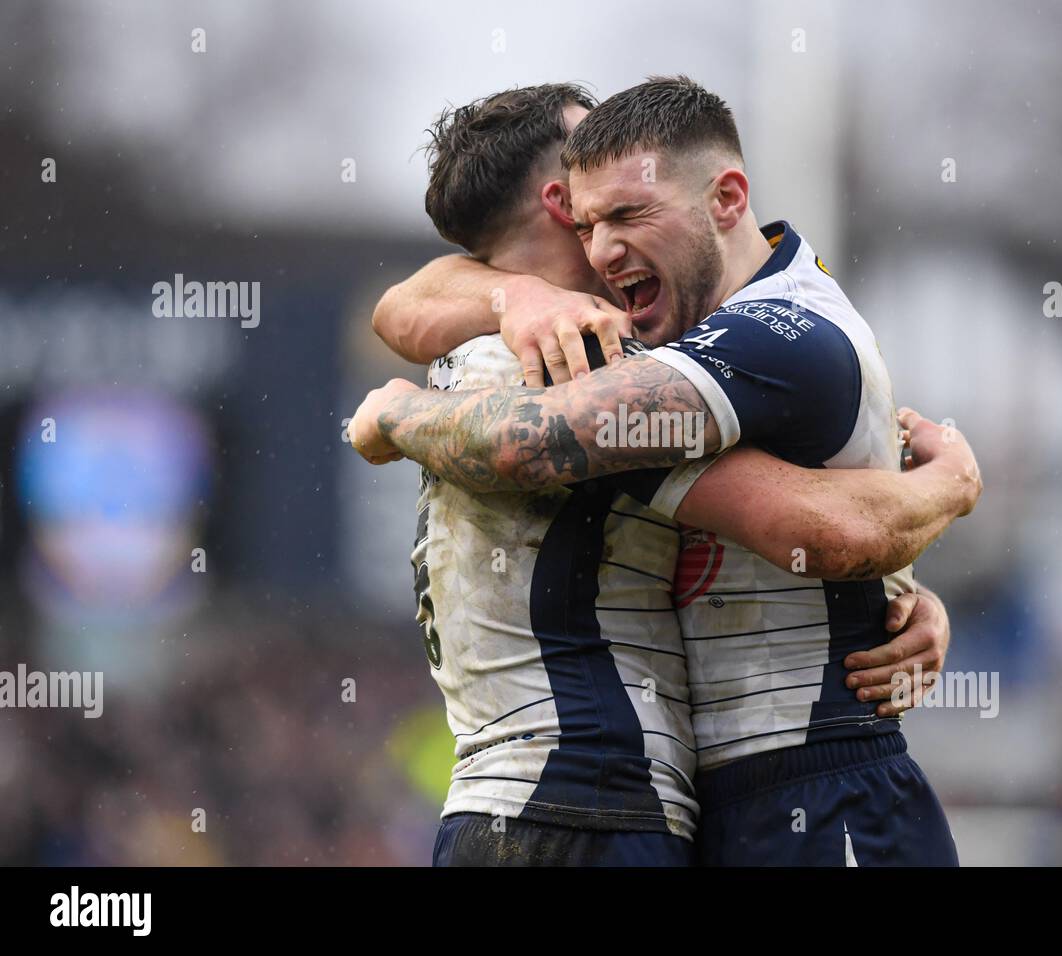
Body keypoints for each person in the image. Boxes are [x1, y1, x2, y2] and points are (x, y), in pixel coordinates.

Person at [356, 79, 981, 866]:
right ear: (556, 203)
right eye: (586, 216)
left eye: (624, 210)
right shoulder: (566, 353)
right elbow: (409, 312)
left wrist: (396, 416)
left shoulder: (760, 335)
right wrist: (939, 496)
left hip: (798, 793)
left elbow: (828, 530)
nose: (601, 239)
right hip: (592, 806)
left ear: (724, 198)